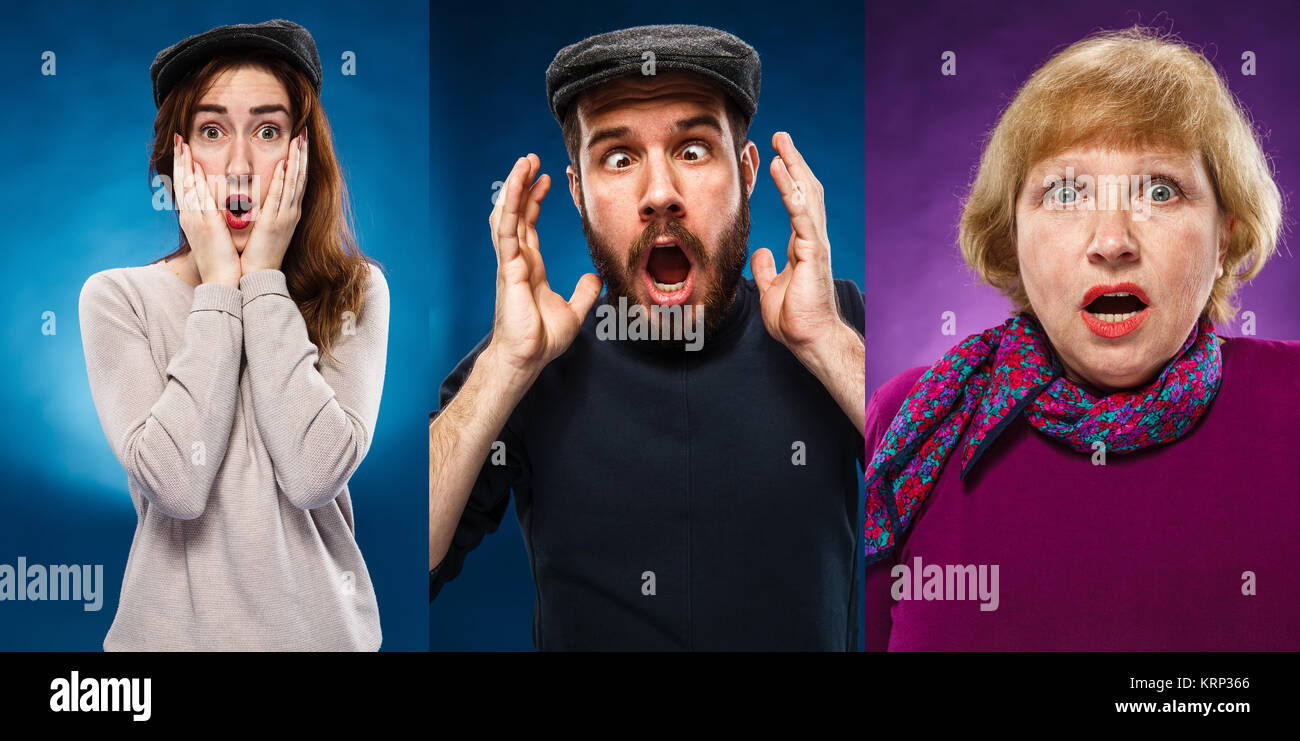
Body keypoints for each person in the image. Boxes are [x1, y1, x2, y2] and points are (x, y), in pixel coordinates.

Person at [429, 24, 866, 650]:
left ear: (744, 172)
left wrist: (826, 341)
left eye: (692, 150)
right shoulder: (525, 362)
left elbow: (957, 511)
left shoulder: (837, 329)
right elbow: (401, 568)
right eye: (618, 157)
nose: (660, 194)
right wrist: (507, 363)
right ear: (577, 192)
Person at [865, 27, 1298, 651]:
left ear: (1224, 234)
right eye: (1066, 193)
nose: (1112, 240)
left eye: (1159, 189)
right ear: (1011, 234)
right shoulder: (914, 419)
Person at [78, 19, 387, 651]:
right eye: (212, 131)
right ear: (177, 154)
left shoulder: (357, 291)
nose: (241, 166)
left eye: (267, 131)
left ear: (302, 153)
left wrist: (262, 282)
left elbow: (312, 475)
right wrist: (221, 285)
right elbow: (177, 486)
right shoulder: (116, 298)